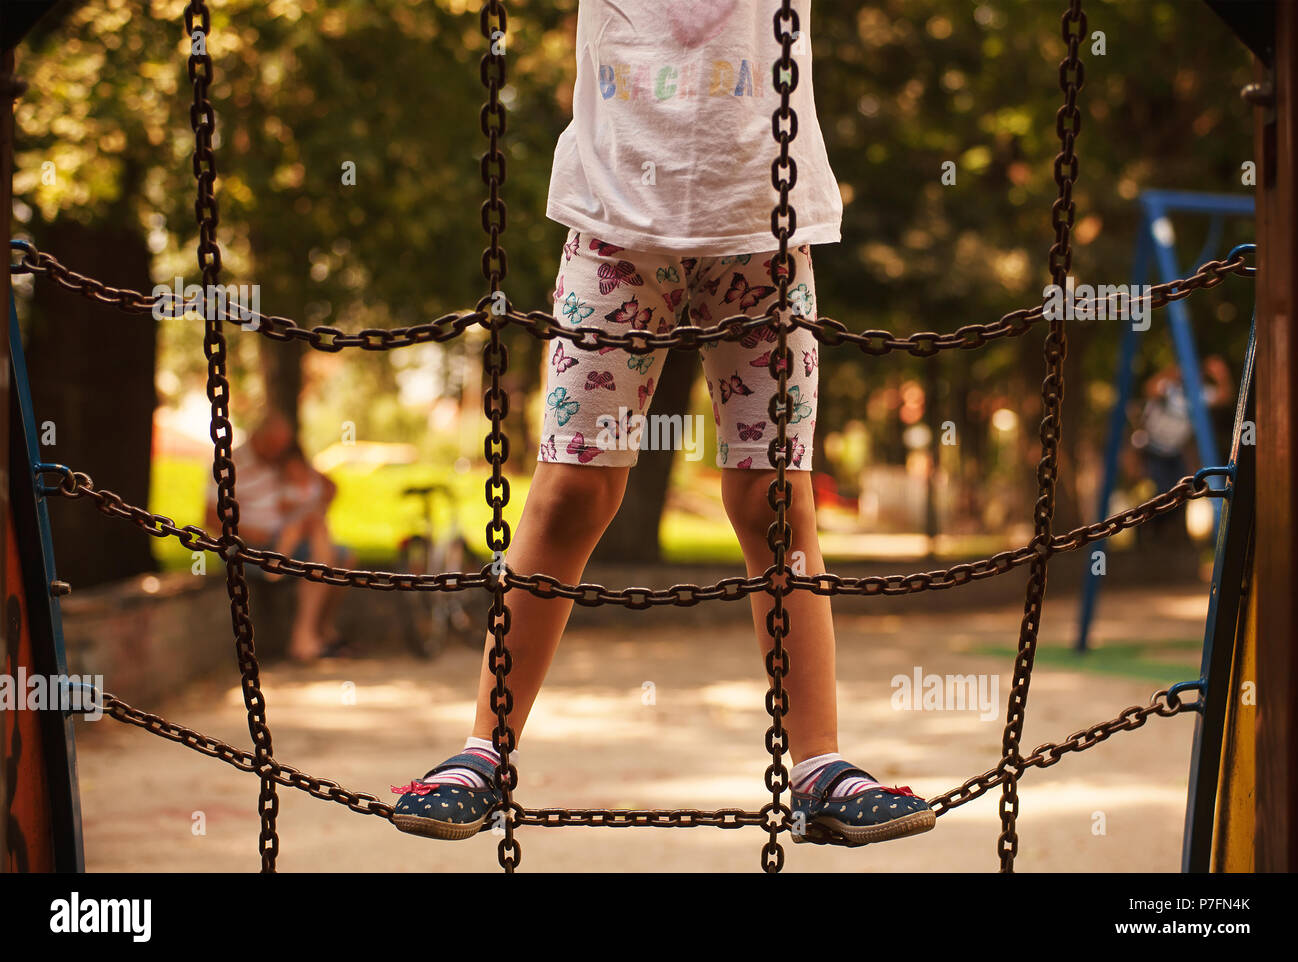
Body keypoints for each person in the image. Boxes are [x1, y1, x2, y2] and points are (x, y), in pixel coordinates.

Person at [389, 0, 935, 846]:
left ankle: (818, 764)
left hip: (765, 229)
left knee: (775, 505)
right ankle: (482, 754)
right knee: (571, 494)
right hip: (615, 229)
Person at [205, 411, 355, 661]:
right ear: (258, 438)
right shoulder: (230, 464)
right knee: (317, 560)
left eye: (283, 447)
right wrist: (253, 535)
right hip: (249, 546)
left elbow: (324, 486)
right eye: (274, 447)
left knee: (344, 558)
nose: (279, 453)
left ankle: (323, 630)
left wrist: (315, 497)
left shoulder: (285, 462)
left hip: (287, 539)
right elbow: (211, 519)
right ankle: (303, 638)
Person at [1132, 356, 1232, 541]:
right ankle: (1145, 528)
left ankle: (1167, 534)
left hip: (1174, 452)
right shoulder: (1169, 389)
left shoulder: (1199, 395)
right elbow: (1149, 388)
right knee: (1162, 490)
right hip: (1154, 449)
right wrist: (1173, 371)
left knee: (1182, 491)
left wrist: (1220, 375)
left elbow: (1224, 397)